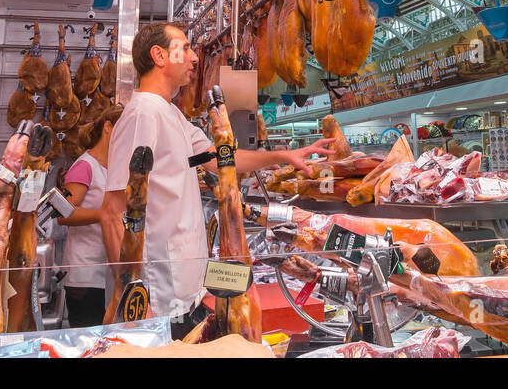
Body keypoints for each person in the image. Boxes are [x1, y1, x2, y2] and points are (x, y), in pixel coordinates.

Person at [99, 21, 337, 339]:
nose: (194, 57)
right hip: (156, 301)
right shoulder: (143, 113)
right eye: (183, 48)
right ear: (159, 56)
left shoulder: (171, 115)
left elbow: (221, 159)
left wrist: (284, 157)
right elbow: (112, 211)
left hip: (185, 291)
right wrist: (131, 295)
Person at [57, 109, 121, 327]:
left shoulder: (113, 168)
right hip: (84, 274)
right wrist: (104, 215)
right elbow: (63, 214)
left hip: (106, 274)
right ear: (108, 127)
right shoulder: (85, 166)